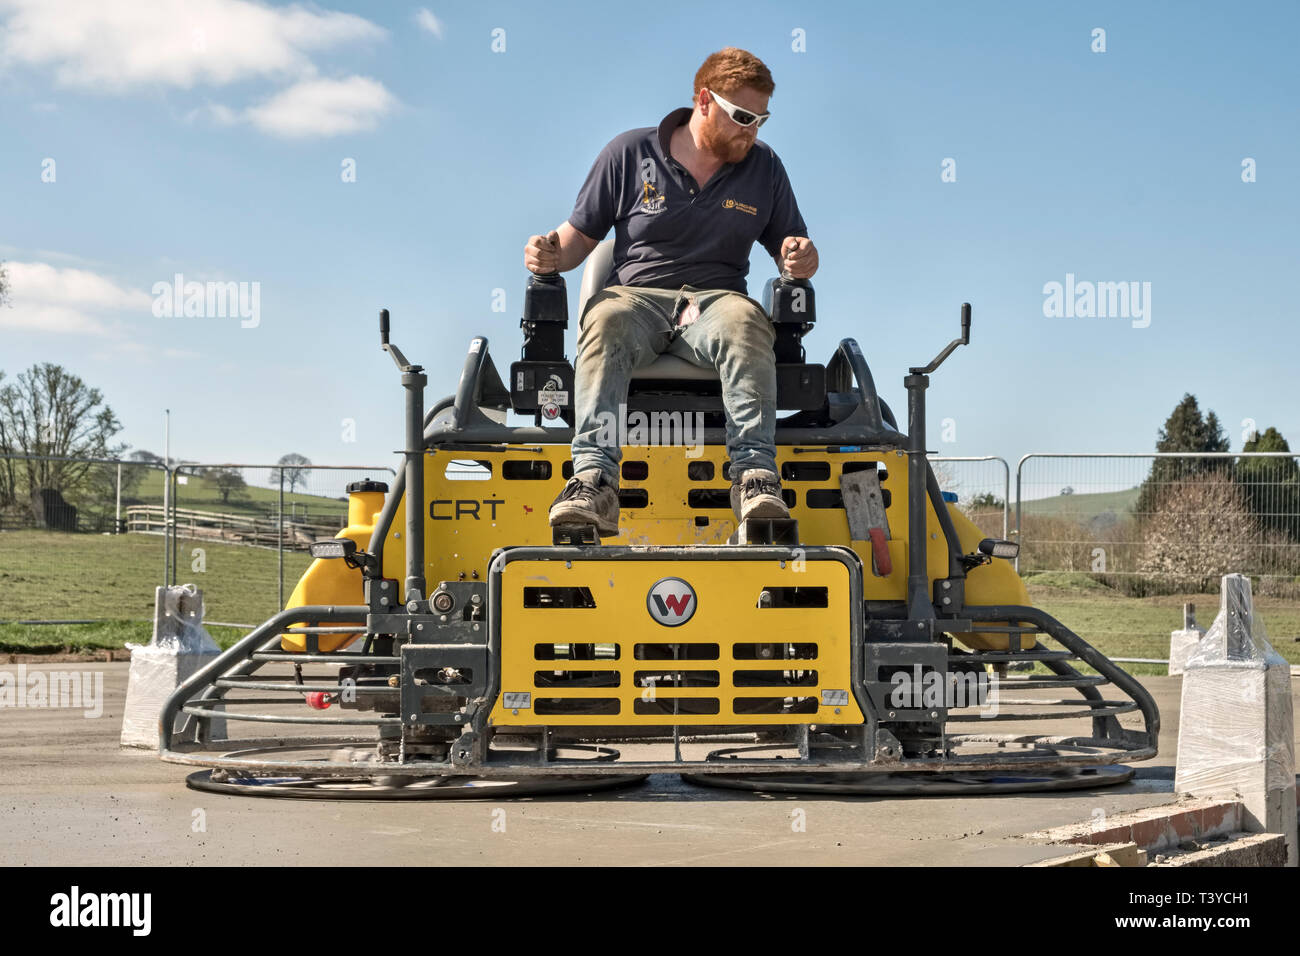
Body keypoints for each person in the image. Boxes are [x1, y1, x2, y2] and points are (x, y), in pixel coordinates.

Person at [523, 47, 818, 536]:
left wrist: (802, 257)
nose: (752, 130)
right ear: (704, 100)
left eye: (762, 120)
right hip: (637, 299)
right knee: (606, 317)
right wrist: (549, 254)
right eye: (742, 116)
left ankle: (754, 477)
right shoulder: (628, 153)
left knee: (746, 320)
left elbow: (796, 249)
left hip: (715, 303)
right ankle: (594, 479)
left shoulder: (764, 168)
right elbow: (576, 239)